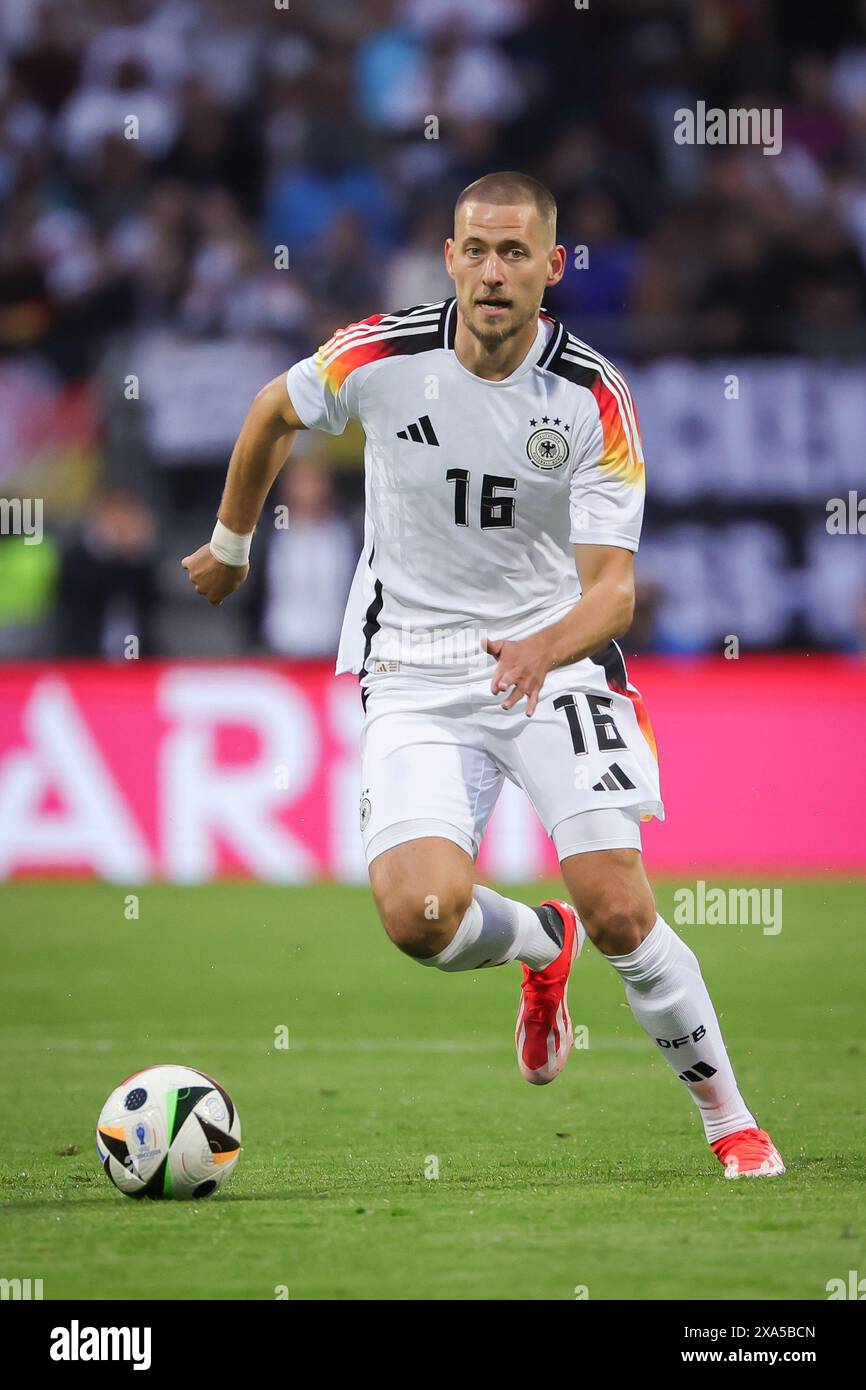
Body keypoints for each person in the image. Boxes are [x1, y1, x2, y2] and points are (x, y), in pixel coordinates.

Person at [182, 171, 783, 1180]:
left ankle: (729, 1121)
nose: (493, 272)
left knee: (621, 908)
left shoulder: (592, 396)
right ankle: (538, 946)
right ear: (449, 257)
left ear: (551, 268)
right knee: (418, 918)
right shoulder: (380, 353)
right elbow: (268, 412)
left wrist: (539, 650)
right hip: (413, 666)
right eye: (476, 249)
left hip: (555, 661)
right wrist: (231, 542)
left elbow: (612, 595)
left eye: (516, 254)